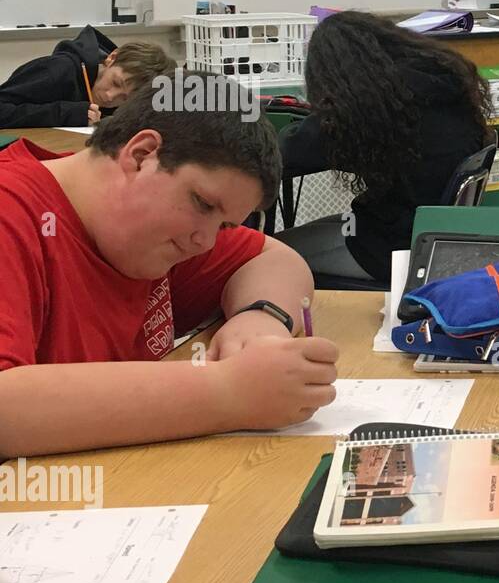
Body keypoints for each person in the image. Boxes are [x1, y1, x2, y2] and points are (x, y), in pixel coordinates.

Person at [0, 81, 338, 455]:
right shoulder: (14, 214)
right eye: (204, 204)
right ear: (142, 155)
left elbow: (276, 259)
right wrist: (227, 392)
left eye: (224, 225)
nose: (207, 242)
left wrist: (261, 317)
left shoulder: (150, 231)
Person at [277, 11, 492, 283]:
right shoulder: (439, 85)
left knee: (264, 256)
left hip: (391, 248)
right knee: (276, 245)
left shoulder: (372, 110)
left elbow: (289, 150)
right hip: (421, 236)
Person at [0, 27, 175, 128]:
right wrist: (66, 113)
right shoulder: (57, 70)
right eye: (115, 82)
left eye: (125, 98)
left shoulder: (125, 101)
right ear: (112, 58)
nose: (110, 96)